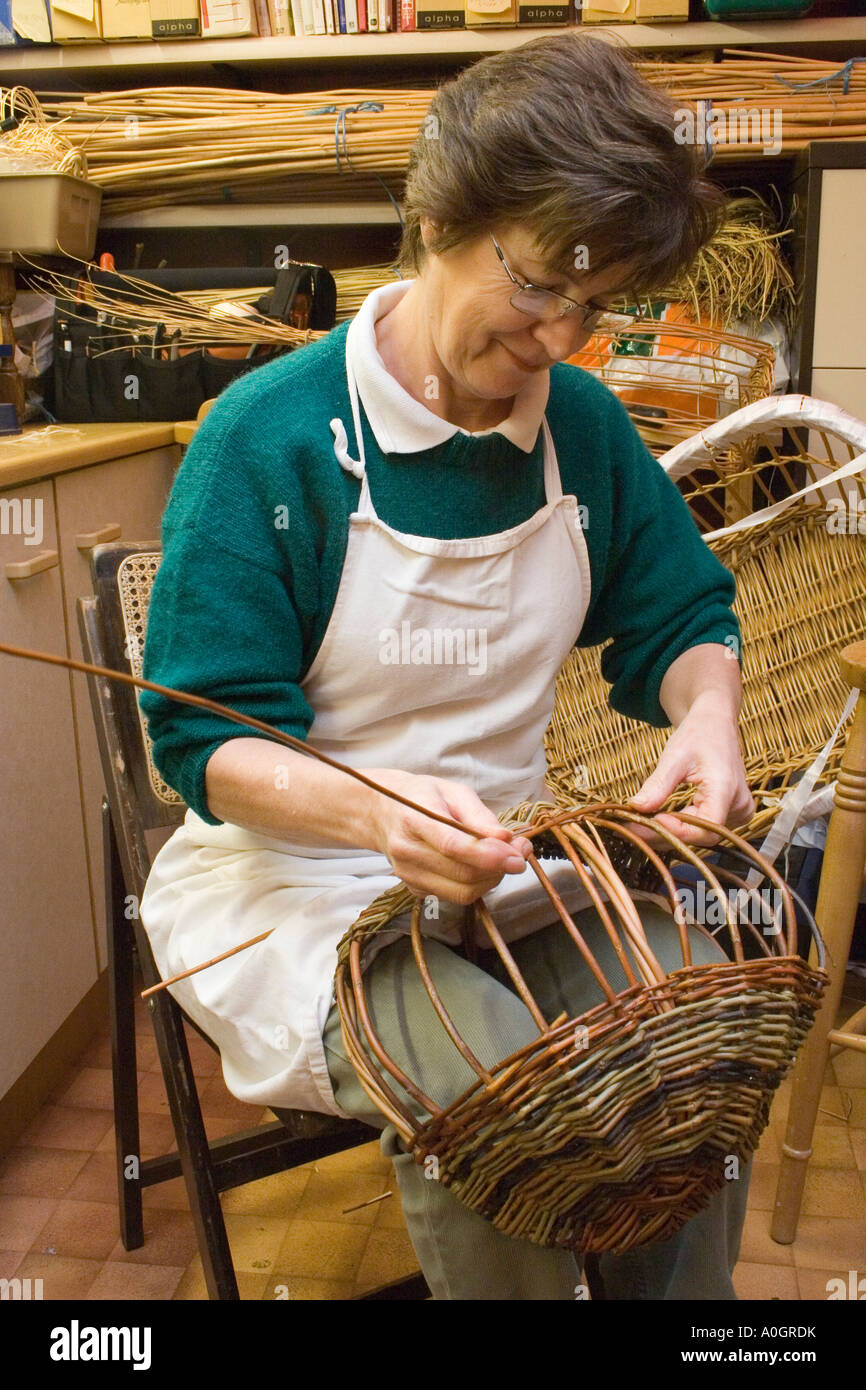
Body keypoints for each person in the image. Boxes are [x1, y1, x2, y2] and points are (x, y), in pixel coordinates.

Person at [139, 31, 755, 1300]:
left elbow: (681, 612)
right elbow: (205, 745)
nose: (560, 339)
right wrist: (378, 809)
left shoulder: (577, 430)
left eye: (595, 308)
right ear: (432, 220)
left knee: (689, 1045)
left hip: (510, 865)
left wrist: (708, 715)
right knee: (495, 1099)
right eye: (535, 286)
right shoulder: (268, 443)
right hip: (296, 887)